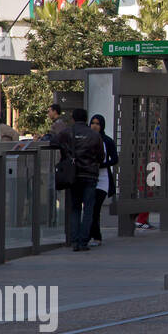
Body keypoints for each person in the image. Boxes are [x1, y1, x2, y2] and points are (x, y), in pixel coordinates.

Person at [61, 107, 104, 253]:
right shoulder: (94, 135)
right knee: (88, 209)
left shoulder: (67, 132)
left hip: (73, 175)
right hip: (90, 175)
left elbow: (54, 142)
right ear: (87, 119)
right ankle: (84, 241)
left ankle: (74, 240)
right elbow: (101, 157)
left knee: (75, 208)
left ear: (73, 118)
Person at [89, 114, 117, 246]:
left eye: (97, 123)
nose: (94, 126)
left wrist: (102, 164)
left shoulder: (107, 141)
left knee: (95, 207)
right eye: (93, 123)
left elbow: (115, 159)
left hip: (103, 178)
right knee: (90, 208)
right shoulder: (86, 139)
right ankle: (90, 235)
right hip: (89, 177)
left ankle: (96, 237)